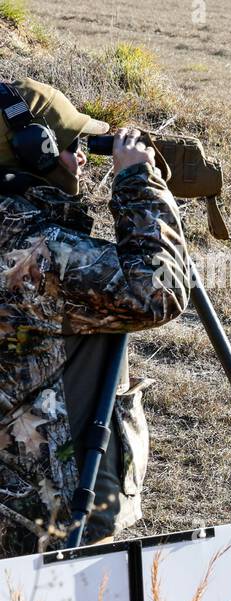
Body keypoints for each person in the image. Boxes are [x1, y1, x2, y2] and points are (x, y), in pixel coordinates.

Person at [0, 78, 189, 558]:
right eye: (68, 146)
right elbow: (158, 290)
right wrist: (138, 183)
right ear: (32, 152)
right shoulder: (34, 251)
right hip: (48, 520)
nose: (81, 158)